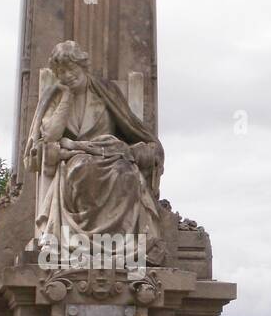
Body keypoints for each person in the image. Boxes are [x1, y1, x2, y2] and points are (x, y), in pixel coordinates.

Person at [24, 40, 166, 264]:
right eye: (61, 72)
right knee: (81, 168)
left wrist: (138, 150)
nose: (67, 76)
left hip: (111, 158)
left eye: (71, 69)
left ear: (82, 66)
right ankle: (81, 244)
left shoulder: (107, 92)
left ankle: (121, 246)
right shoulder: (55, 97)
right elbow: (50, 137)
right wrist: (67, 97)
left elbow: (132, 129)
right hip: (74, 162)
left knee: (126, 173)